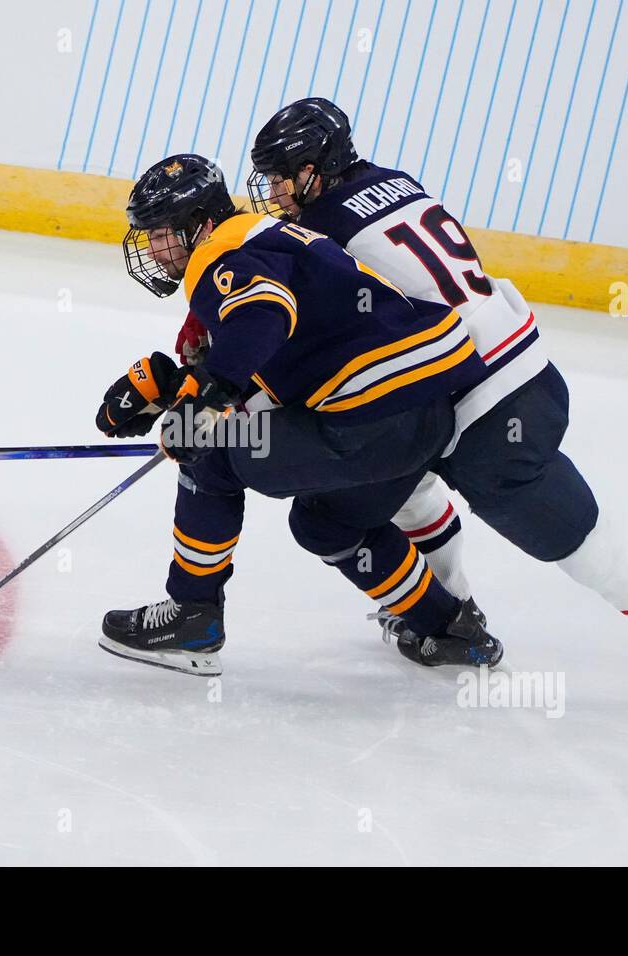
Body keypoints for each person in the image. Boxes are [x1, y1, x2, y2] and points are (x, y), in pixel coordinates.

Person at [242, 97, 628, 700]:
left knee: (594, 554)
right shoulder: (394, 182)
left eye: (285, 174)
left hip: (489, 409)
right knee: (396, 481)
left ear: (319, 167)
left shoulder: (322, 229)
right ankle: (451, 616)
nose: (275, 189)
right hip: (486, 379)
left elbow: (312, 327)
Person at [94, 153, 499, 676]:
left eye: (162, 232)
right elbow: (279, 359)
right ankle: (451, 630)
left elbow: (265, 314)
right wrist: (177, 387)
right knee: (327, 525)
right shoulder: (270, 236)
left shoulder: (220, 254)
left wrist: (202, 402)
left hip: (369, 413)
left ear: (201, 224)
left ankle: (193, 617)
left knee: (212, 455)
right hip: (424, 416)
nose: (152, 247)